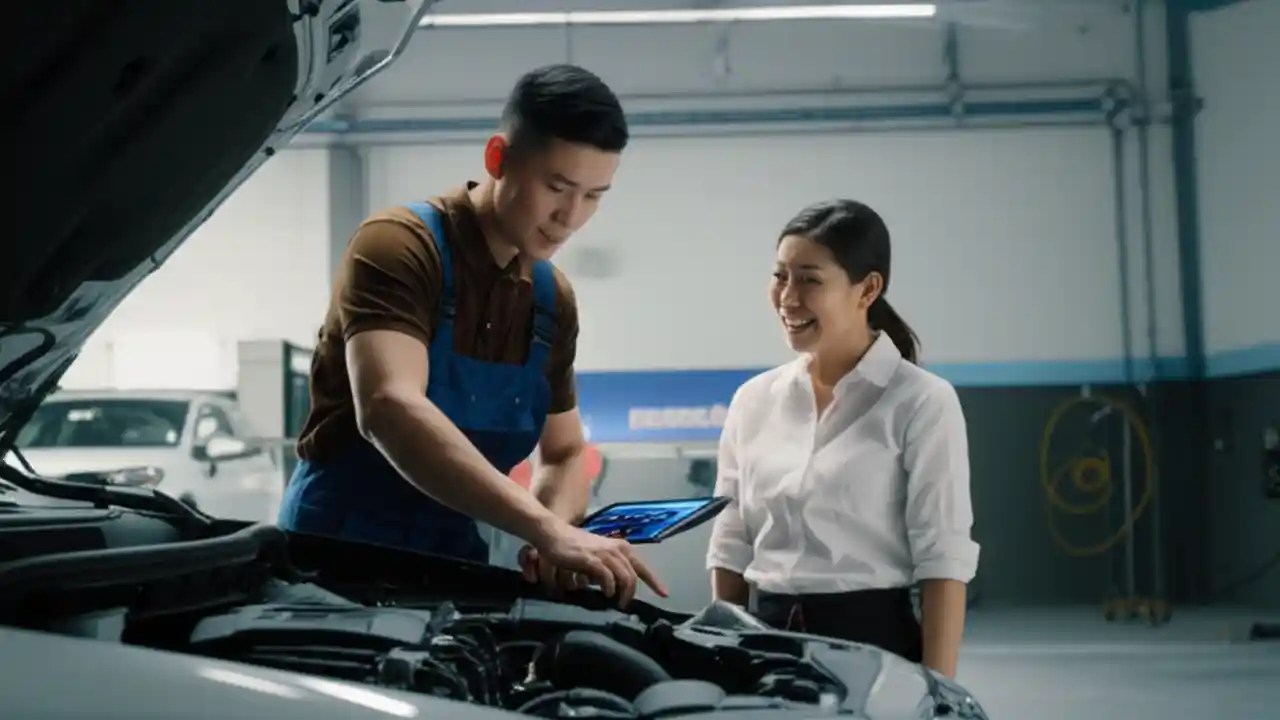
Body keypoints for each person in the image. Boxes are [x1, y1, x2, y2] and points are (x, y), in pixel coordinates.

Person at [277, 64, 666, 608]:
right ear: (497, 159)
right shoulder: (398, 246)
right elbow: (390, 407)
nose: (570, 218)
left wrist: (554, 534)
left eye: (594, 196)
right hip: (333, 567)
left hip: (453, 570)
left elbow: (565, 451)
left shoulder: (552, 300)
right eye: (556, 187)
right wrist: (546, 528)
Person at [704, 199, 979, 678]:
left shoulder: (922, 401)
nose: (788, 297)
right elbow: (731, 543)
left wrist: (941, 692)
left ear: (867, 289)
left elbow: (943, 561)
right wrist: (720, 658)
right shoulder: (753, 400)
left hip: (875, 653)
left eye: (810, 278)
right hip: (762, 649)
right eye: (780, 276)